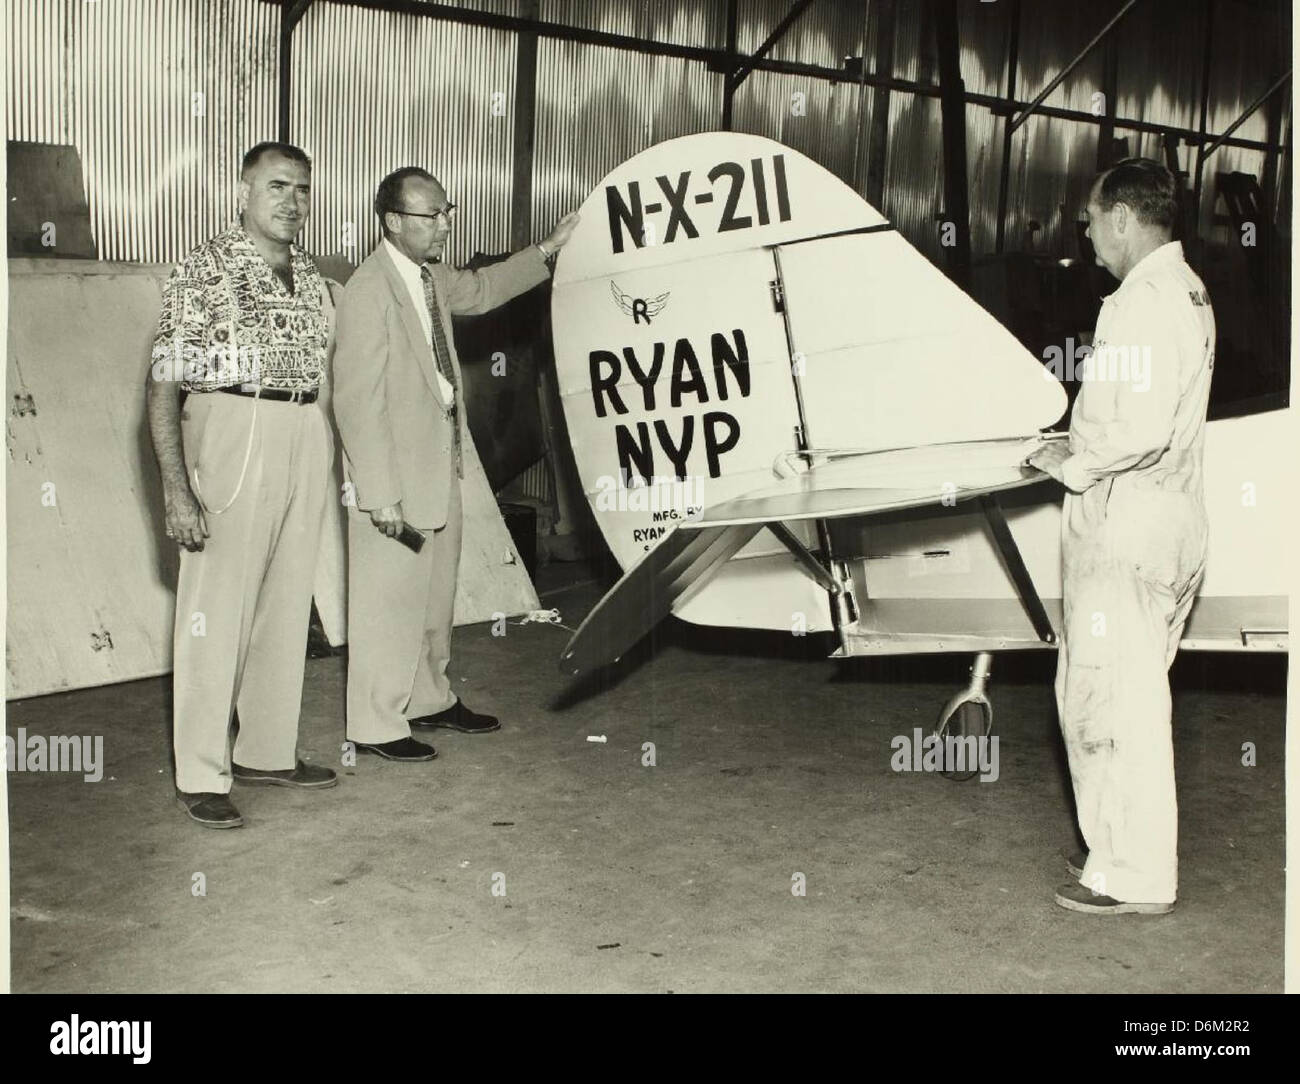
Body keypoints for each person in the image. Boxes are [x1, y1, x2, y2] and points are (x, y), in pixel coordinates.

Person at [332, 167, 577, 761]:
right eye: (431, 216)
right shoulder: (368, 291)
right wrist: (379, 494)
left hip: (438, 465)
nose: (445, 225)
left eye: (448, 212)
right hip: (392, 478)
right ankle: (374, 724)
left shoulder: (430, 275)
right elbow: (354, 399)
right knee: (386, 604)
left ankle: (429, 698)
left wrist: (548, 248)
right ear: (393, 222)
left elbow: (485, 288)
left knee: (434, 596)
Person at [1028, 158, 1215, 915]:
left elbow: (1134, 429)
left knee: (1110, 702)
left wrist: (1068, 461)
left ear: (1124, 220)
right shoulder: (1187, 291)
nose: (1086, 229)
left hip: (1128, 521)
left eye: (1091, 216)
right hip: (1167, 519)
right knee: (1127, 698)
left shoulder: (1141, 302)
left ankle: (1133, 876)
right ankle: (1117, 850)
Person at [147, 141, 338, 828]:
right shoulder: (205, 267)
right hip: (232, 423)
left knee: (285, 604)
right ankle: (201, 770)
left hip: (300, 426)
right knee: (215, 610)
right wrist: (176, 487)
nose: (293, 202)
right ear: (242, 193)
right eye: (277, 186)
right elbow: (164, 381)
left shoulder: (312, 275)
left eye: (303, 189)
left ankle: (266, 751)